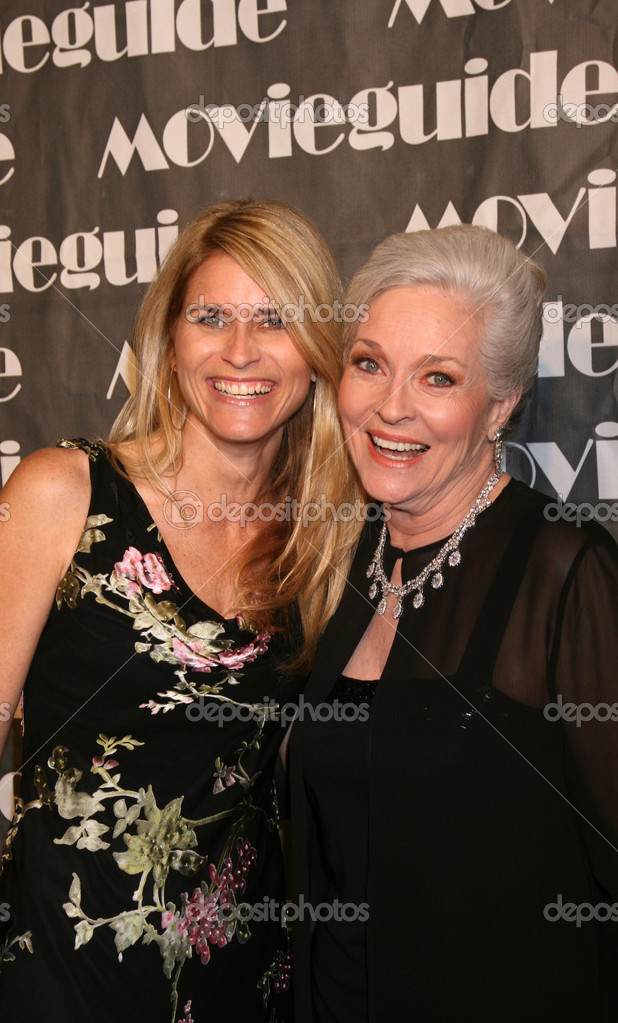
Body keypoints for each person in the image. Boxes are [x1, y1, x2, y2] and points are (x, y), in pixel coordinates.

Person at [0, 199, 361, 1023]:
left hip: (248, 989)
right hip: (61, 980)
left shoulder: (327, 541)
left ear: (317, 352)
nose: (240, 350)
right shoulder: (65, 493)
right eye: (211, 317)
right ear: (168, 343)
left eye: (275, 319)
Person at [288, 225, 618, 1023]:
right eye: (370, 363)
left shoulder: (564, 571)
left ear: (501, 403)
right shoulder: (341, 558)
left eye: (438, 377)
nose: (390, 406)